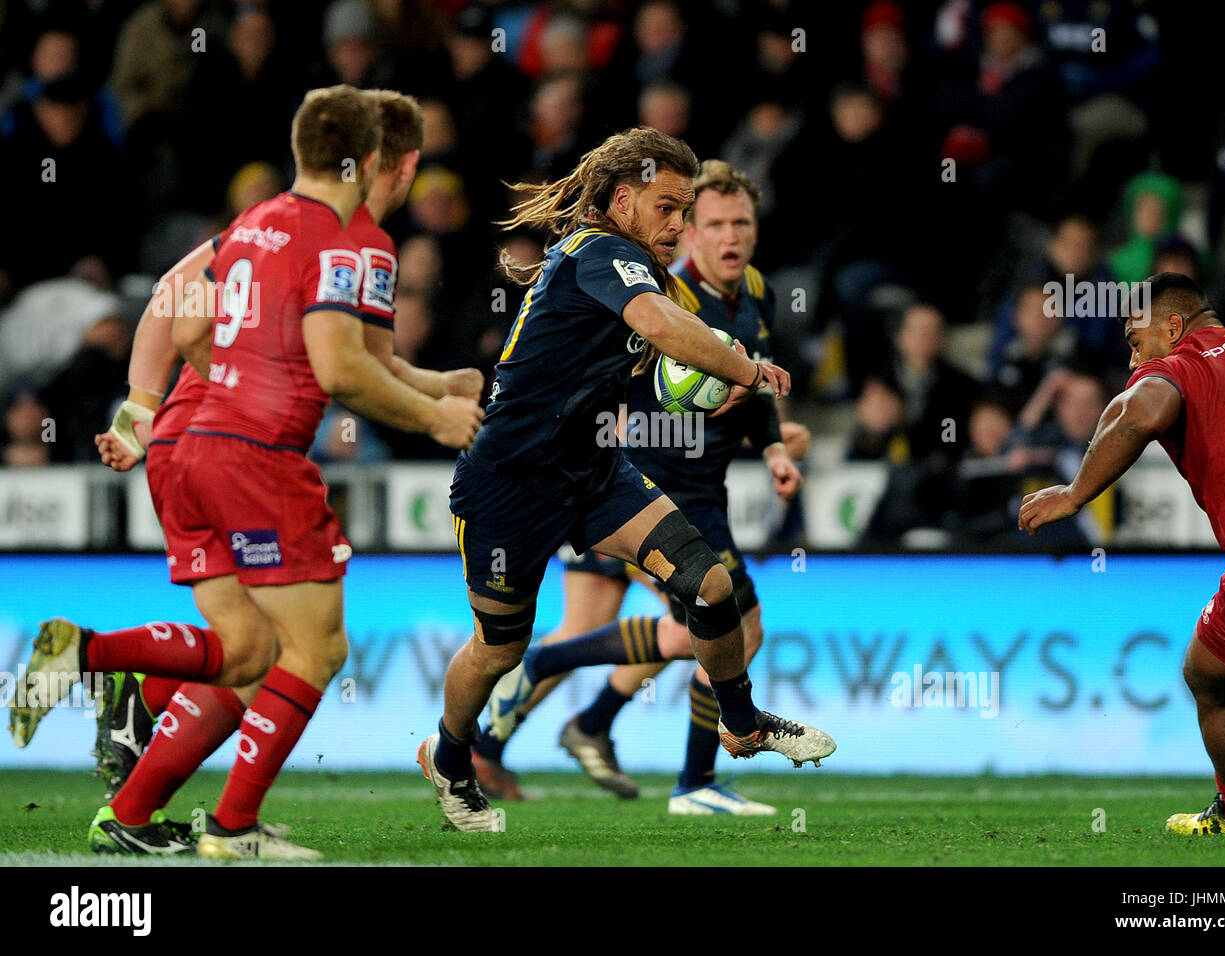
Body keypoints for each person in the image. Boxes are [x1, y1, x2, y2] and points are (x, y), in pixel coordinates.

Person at [11, 86, 484, 859]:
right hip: (250, 456)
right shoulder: (355, 241)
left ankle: (112, 740)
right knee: (314, 652)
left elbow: (184, 308)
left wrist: (150, 407)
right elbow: (343, 368)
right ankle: (230, 826)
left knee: (245, 653)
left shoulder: (254, 224)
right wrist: (430, 415)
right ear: (386, 165)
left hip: (185, 444)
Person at [418, 127, 835, 832]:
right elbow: (661, 326)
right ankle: (452, 755)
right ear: (622, 199)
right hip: (508, 482)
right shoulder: (600, 250)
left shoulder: (642, 269)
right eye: (669, 208)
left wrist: (718, 396)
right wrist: (744, 369)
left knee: (710, 585)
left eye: (687, 211)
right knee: (499, 648)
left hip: (594, 470)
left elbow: (661, 339)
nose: (680, 226)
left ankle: (742, 723)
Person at [1020, 272, 1225, 835]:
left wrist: (1076, 493)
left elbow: (1141, 411)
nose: (1132, 360)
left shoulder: (1181, 366)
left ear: (1173, 327)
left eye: (1134, 341)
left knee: (1212, 677)